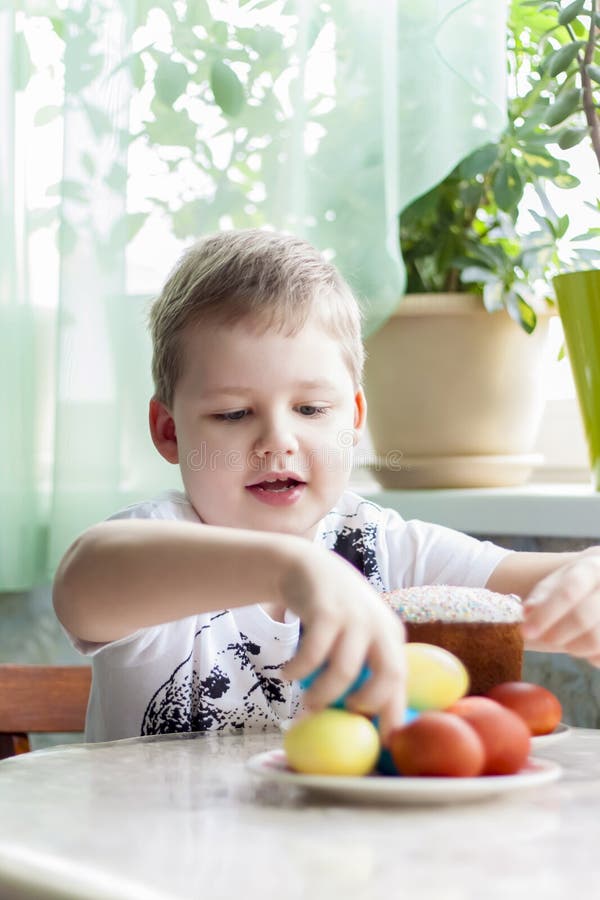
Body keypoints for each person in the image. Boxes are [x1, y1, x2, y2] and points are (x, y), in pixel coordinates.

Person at [53, 229, 600, 746]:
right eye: (234, 413)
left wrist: (588, 579)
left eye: (311, 409)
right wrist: (294, 569)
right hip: (159, 846)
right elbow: (84, 582)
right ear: (169, 431)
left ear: (355, 417)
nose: (278, 441)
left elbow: (541, 588)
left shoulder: (387, 549)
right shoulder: (158, 540)